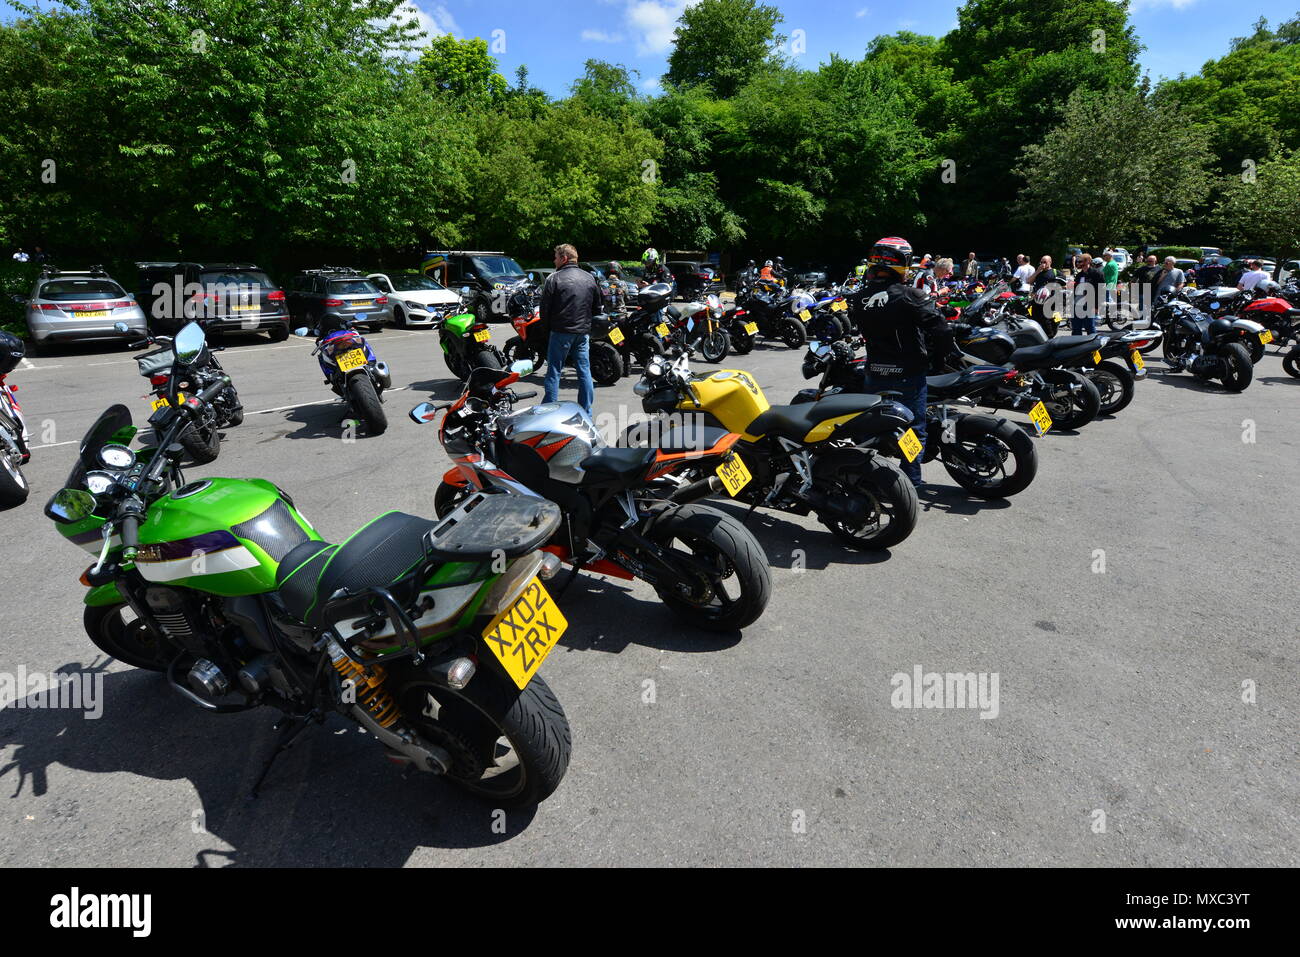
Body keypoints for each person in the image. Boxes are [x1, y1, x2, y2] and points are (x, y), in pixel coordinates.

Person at [845, 237, 953, 490]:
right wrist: (938, 363)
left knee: (871, 429)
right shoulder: (910, 295)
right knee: (913, 431)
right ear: (902, 263)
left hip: (875, 374)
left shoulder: (860, 297)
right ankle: (910, 484)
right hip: (908, 375)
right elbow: (942, 331)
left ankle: (867, 479)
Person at [539, 243, 600, 416]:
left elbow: (545, 309)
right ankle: (587, 411)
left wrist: (546, 332)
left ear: (564, 258)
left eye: (556, 257)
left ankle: (549, 410)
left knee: (554, 372)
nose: (554, 260)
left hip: (560, 332)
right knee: (584, 371)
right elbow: (597, 308)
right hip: (582, 333)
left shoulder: (554, 278)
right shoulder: (590, 278)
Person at [1071, 253, 1104, 334]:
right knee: (1076, 328)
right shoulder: (1079, 275)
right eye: (1077, 261)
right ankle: (1076, 345)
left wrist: (1097, 306)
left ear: (1088, 261)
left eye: (1080, 261)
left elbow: (1101, 291)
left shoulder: (1097, 274)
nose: (1077, 263)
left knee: (1089, 327)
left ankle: (1094, 345)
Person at [1100, 250, 1120, 319]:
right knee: (1109, 301)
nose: (1103, 257)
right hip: (1112, 284)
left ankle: (1112, 316)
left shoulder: (1110, 264)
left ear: (1109, 256)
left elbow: (1102, 274)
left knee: (1109, 301)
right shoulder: (1112, 263)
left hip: (1109, 284)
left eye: (1105, 256)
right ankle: (1111, 315)